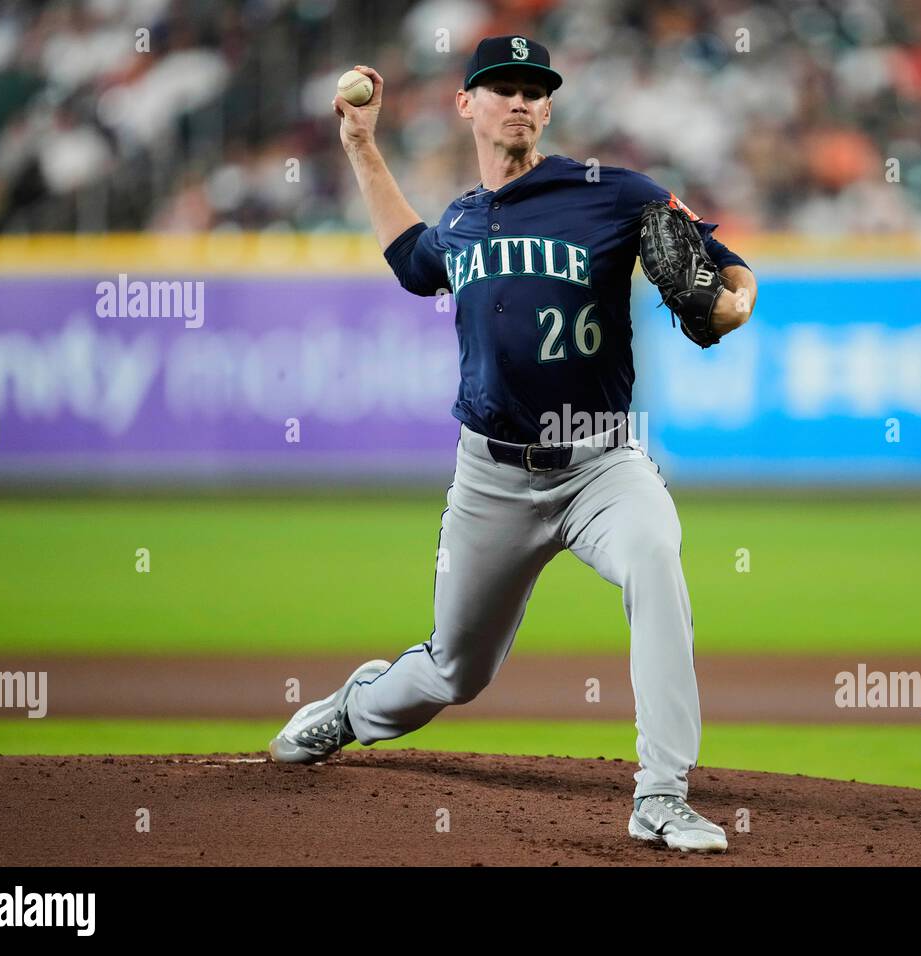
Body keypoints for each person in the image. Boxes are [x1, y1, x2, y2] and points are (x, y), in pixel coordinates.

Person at [269, 35, 757, 853]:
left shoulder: (611, 193)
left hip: (603, 462)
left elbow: (732, 273)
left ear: (549, 108)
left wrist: (733, 306)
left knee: (656, 562)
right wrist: (360, 145)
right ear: (467, 105)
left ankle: (662, 794)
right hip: (491, 479)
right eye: (502, 88)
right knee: (457, 672)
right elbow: (409, 259)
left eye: (536, 89)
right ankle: (354, 710)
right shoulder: (460, 221)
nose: (521, 100)